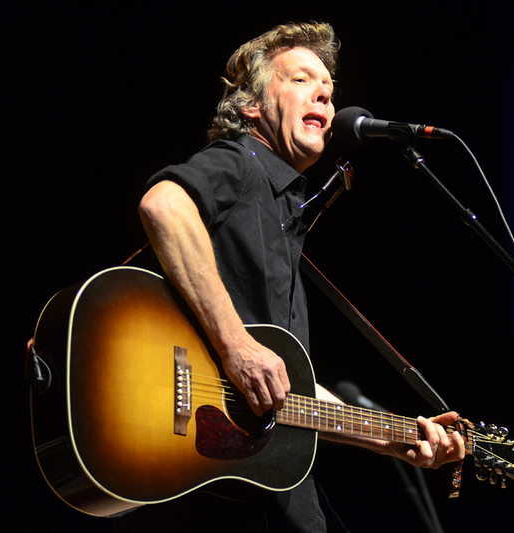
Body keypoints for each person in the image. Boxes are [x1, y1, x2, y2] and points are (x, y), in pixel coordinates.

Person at [138, 21, 465, 531]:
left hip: (261, 489)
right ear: (252, 106)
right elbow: (164, 204)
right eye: (301, 80)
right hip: (229, 492)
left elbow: (290, 394)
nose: (325, 96)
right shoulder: (241, 160)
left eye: (329, 90)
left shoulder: (282, 208)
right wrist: (236, 346)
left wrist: (395, 439)